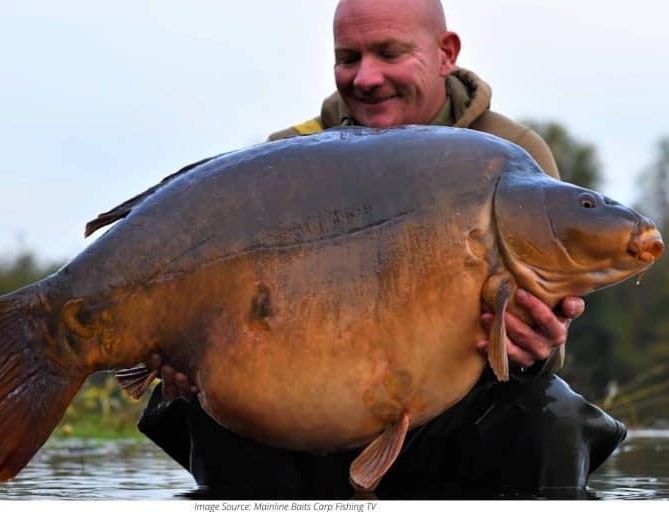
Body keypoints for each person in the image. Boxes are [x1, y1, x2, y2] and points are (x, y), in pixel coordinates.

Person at [137, 0, 626, 498]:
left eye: (390, 54)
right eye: (348, 58)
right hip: (313, 408)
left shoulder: (510, 155)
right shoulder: (288, 158)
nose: (366, 78)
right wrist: (192, 356)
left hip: (454, 415)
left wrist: (535, 350)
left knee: (553, 416)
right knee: (201, 409)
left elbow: (547, 344)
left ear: (446, 53)